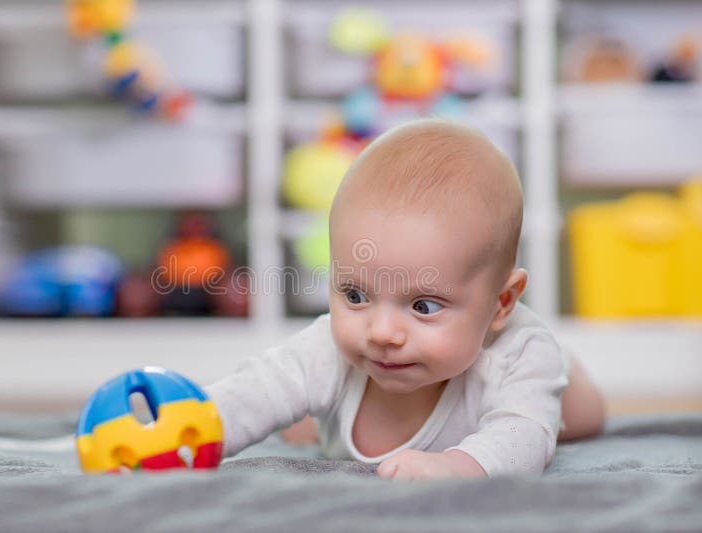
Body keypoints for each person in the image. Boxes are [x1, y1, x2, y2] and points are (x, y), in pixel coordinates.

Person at [205, 119, 606, 480]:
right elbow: (258, 388)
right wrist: (199, 423)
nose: (381, 332)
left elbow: (525, 440)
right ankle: (320, 414)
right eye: (356, 295)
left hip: (555, 393)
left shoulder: (515, 354)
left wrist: (458, 466)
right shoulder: (328, 348)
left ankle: (563, 371)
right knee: (293, 404)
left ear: (501, 303)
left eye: (423, 306)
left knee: (575, 412)